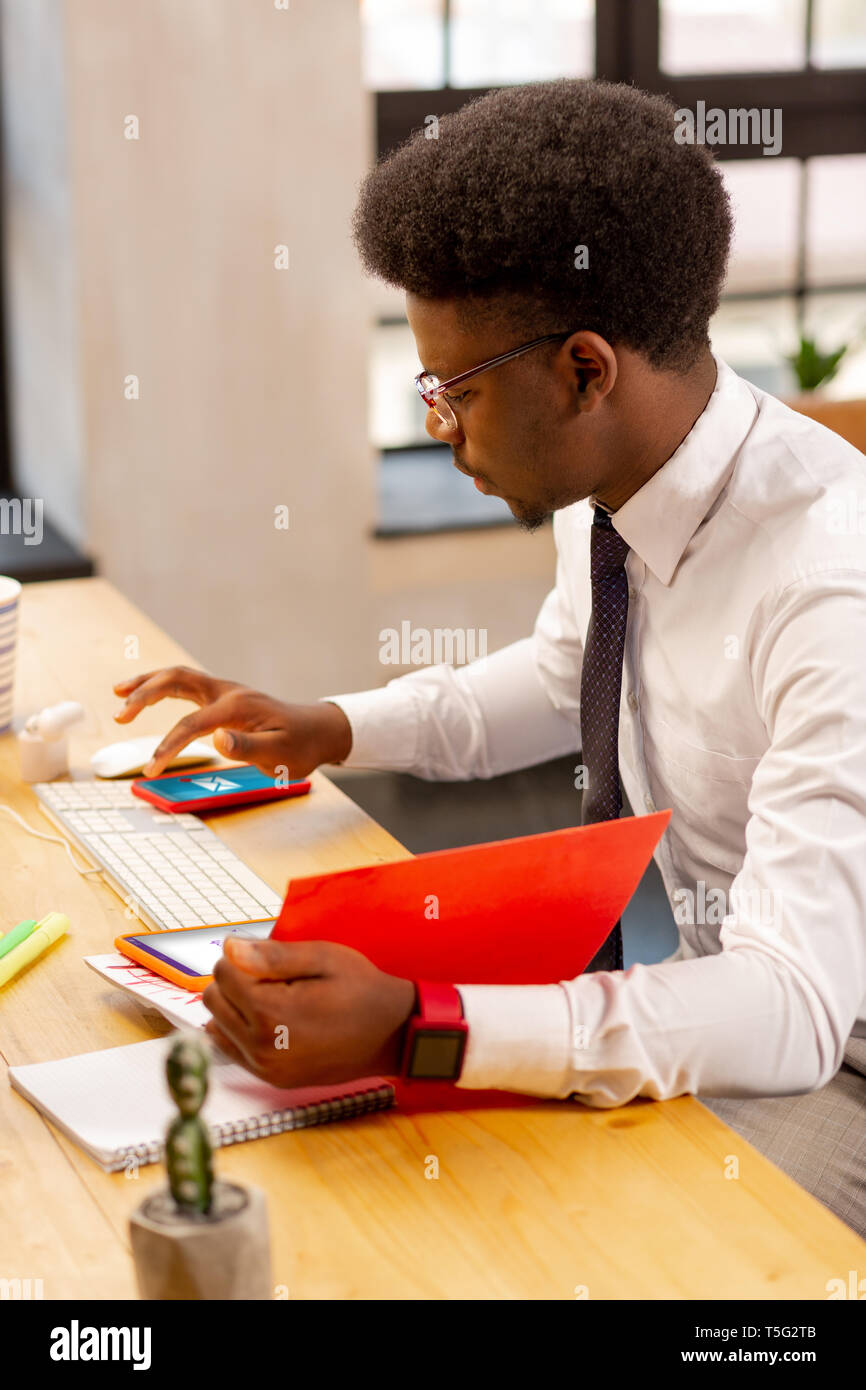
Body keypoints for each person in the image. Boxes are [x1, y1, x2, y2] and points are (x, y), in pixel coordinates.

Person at [114, 80, 866, 1236]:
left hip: (829, 1048)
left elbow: (792, 1008)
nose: (436, 425)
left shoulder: (828, 584)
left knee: (555, 1231)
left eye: (453, 390)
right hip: (726, 995)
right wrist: (335, 727)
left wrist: (430, 1019)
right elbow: (567, 673)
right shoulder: (610, 488)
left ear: (582, 369)